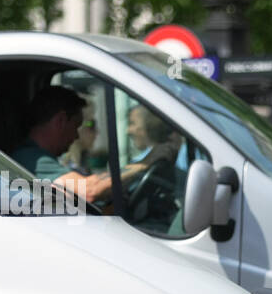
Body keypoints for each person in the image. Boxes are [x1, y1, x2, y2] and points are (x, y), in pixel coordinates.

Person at [12, 86, 175, 206]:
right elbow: (88, 190)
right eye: (76, 126)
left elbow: (93, 182)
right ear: (60, 121)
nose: (76, 136)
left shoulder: (39, 157)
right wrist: (147, 163)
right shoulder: (31, 159)